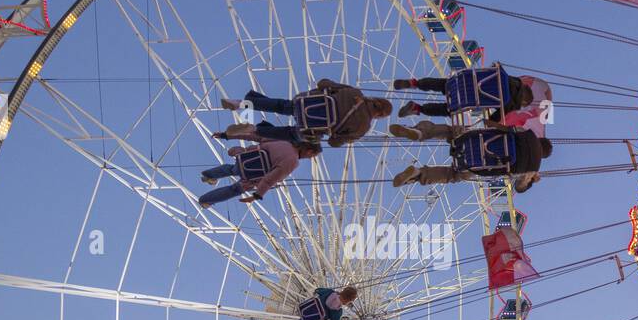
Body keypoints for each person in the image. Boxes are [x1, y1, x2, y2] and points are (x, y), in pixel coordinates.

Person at [222, 79, 392, 148]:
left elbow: (323, 83)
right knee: (292, 135)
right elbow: (334, 142)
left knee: (282, 106)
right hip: (311, 128)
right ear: (379, 116)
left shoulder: (355, 92)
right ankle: (254, 131)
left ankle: (241, 103)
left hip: (305, 105)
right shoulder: (362, 128)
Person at [391, 131, 552, 191]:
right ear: (542, 156)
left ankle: (419, 132)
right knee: (454, 175)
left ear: (539, 138)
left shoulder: (527, 134)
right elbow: (519, 187)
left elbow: (505, 128)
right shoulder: (533, 167)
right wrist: (531, 180)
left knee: (453, 132)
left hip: (476, 140)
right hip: (480, 164)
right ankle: (420, 174)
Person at [198, 140, 317, 207]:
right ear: (309, 150)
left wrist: (243, 152)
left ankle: (208, 175)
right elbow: (271, 179)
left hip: (246, 161)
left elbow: (261, 146)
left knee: (231, 169)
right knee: (234, 189)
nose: (311, 158)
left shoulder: (284, 143)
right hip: (253, 177)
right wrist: (257, 194)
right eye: (312, 155)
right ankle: (206, 200)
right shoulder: (293, 161)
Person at [392, 71, 531, 121]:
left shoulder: (506, 76)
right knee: (449, 109)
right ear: (523, 100)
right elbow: (494, 119)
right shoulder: (510, 103)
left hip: (466, 80)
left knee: (444, 85)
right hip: (469, 99)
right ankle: (418, 108)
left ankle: (414, 83)